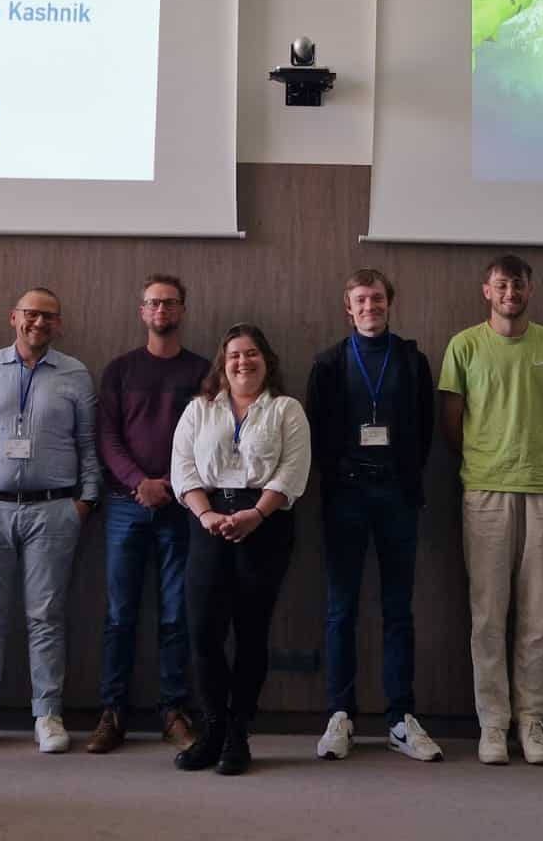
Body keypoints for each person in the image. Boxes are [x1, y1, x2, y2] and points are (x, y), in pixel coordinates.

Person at [0, 287, 100, 755]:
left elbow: (89, 444)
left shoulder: (75, 374)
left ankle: (47, 714)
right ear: (14, 317)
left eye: (49, 316)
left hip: (54, 511)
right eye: (31, 314)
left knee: (46, 616)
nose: (39, 323)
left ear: (59, 324)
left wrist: (84, 502)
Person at [437, 254, 543, 766]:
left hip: (541, 489)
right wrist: (486, 457)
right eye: (501, 285)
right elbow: (452, 422)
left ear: (529, 290)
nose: (510, 293)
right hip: (485, 491)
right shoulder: (464, 345)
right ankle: (493, 724)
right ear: (487, 291)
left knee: (538, 619)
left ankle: (532, 723)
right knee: (488, 617)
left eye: (517, 285)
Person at [306, 269, 441, 762]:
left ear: (390, 303)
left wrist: (401, 475)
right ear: (348, 307)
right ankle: (340, 714)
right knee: (341, 609)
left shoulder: (411, 360)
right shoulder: (328, 363)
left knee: (398, 610)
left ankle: (400, 719)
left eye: (378, 298)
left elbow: (424, 429)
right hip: (345, 497)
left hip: (398, 498)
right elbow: (318, 435)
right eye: (361, 299)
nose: (370, 306)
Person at [170, 324, 310, 775]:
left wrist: (257, 514)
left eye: (251, 354)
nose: (243, 362)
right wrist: (206, 515)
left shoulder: (286, 410)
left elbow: (293, 471)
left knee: (251, 632)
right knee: (203, 631)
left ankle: (237, 732)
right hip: (206, 520)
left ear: (267, 360)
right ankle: (211, 728)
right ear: (222, 363)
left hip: (264, 523)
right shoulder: (199, 410)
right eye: (234, 355)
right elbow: (182, 468)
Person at [86, 275, 207, 755]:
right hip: (124, 507)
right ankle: (112, 712)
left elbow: (206, 438)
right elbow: (107, 438)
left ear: (182, 310)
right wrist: (140, 483)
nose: (161, 310)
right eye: (153, 303)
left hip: (183, 507)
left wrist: (173, 487)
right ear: (142, 311)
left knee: (178, 615)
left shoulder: (202, 371)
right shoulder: (119, 371)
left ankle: (173, 711)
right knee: (119, 615)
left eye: (170, 302)